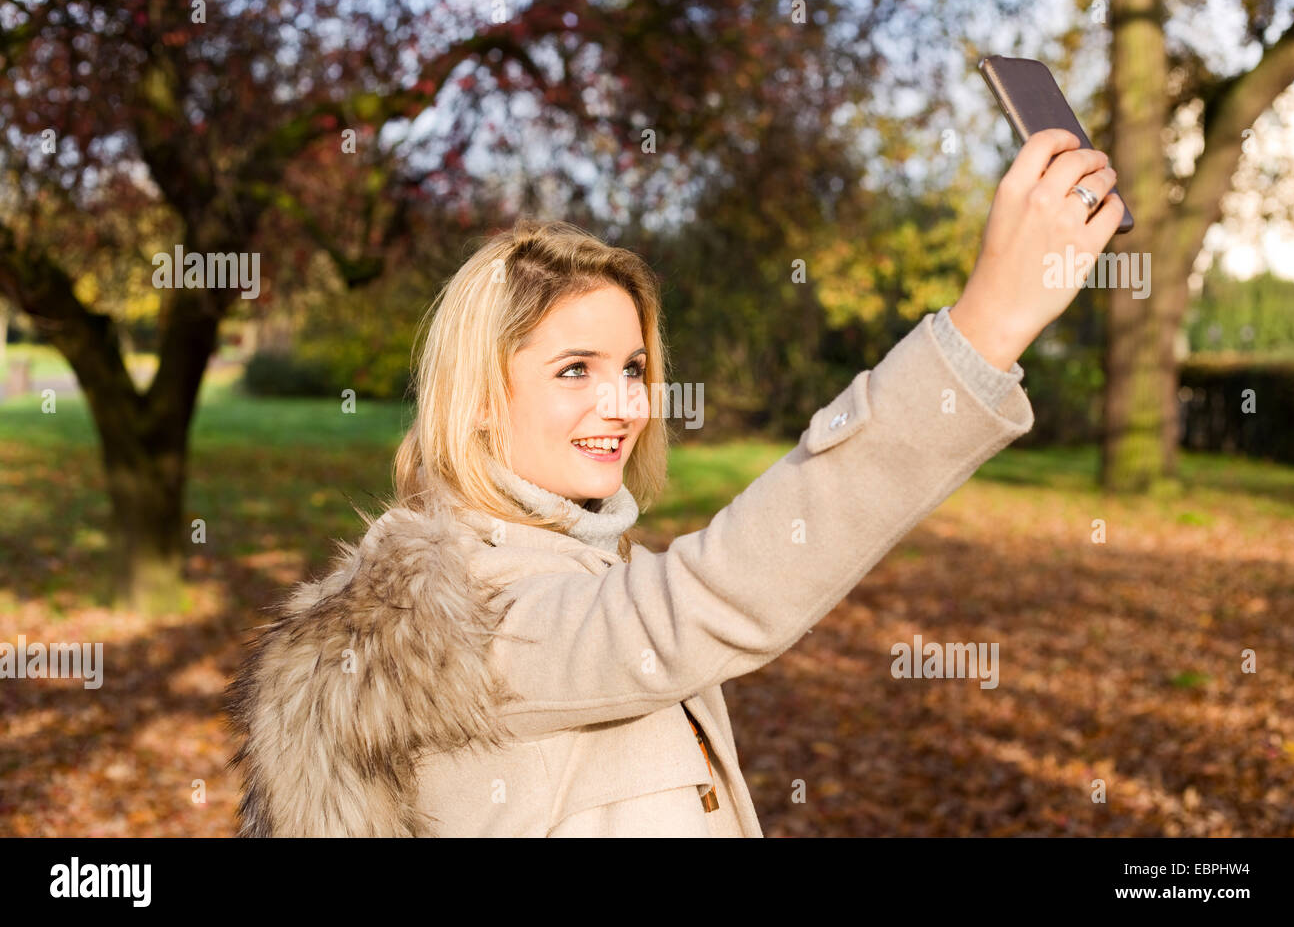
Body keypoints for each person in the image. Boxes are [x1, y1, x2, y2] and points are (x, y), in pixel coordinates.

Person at [226, 129, 1124, 836]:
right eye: (574, 369)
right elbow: (716, 596)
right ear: (482, 401)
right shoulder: (455, 622)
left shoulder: (589, 569)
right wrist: (983, 329)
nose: (623, 403)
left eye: (633, 367)